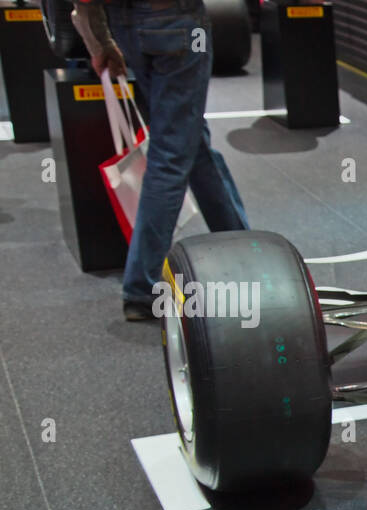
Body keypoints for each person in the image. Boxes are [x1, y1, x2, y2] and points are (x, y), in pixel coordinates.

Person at [72, 0, 248, 322]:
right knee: (171, 152)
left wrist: (100, 42)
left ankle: (239, 240)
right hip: (178, 21)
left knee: (188, 137)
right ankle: (142, 286)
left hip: (125, 25)